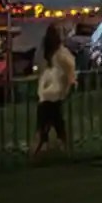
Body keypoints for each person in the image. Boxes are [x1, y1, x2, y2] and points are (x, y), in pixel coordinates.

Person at [33, 22, 76, 157]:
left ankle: (38, 151)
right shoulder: (60, 53)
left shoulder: (51, 54)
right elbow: (69, 68)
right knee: (56, 123)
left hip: (47, 94)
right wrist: (70, 83)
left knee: (44, 124)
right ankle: (60, 148)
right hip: (54, 93)